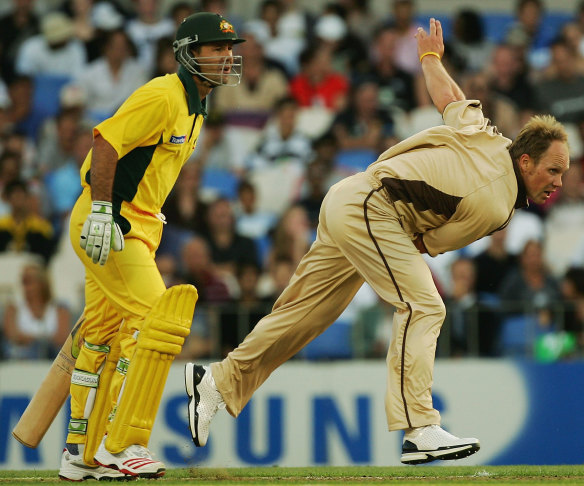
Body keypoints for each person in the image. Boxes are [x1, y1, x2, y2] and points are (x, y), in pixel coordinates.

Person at [184, 18, 569, 465]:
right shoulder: (495, 203)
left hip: (350, 198)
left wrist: (430, 57)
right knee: (425, 305)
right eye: (553, 170)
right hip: (372, 209)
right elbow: (423, 243)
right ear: (525, 160)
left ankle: (216, 383)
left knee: (304, 316)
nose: (558, 182)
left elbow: (451, 99)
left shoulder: (489, 137)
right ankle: (419, 426)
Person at [58, 12, 244, 481]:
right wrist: (103, 211)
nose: (227, 56)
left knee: (102, 333)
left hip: (136, 224)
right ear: (189, 53)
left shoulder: (196, 106)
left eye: (228, 48)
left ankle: (80, 453)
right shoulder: (164, 95)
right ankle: (121, 444)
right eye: (215, 48)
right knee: (155, 318)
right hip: (110, 220)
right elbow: (106, 141)